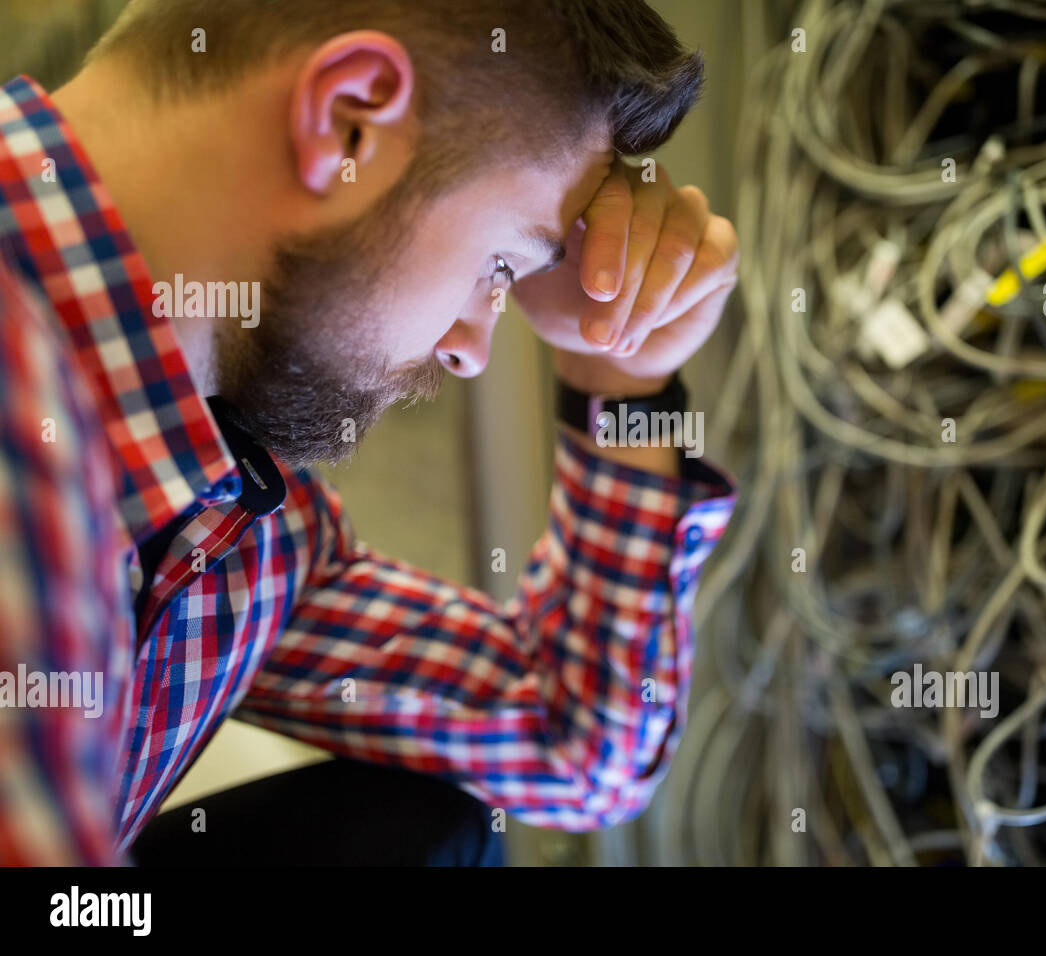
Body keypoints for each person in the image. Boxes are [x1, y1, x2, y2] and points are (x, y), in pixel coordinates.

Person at [0, 0, 738, 865]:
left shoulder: (230, 506)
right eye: (502, 264)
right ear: (349, 123)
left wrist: (622, 374)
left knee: (430, 835)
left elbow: (573, 736)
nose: (470, 350)